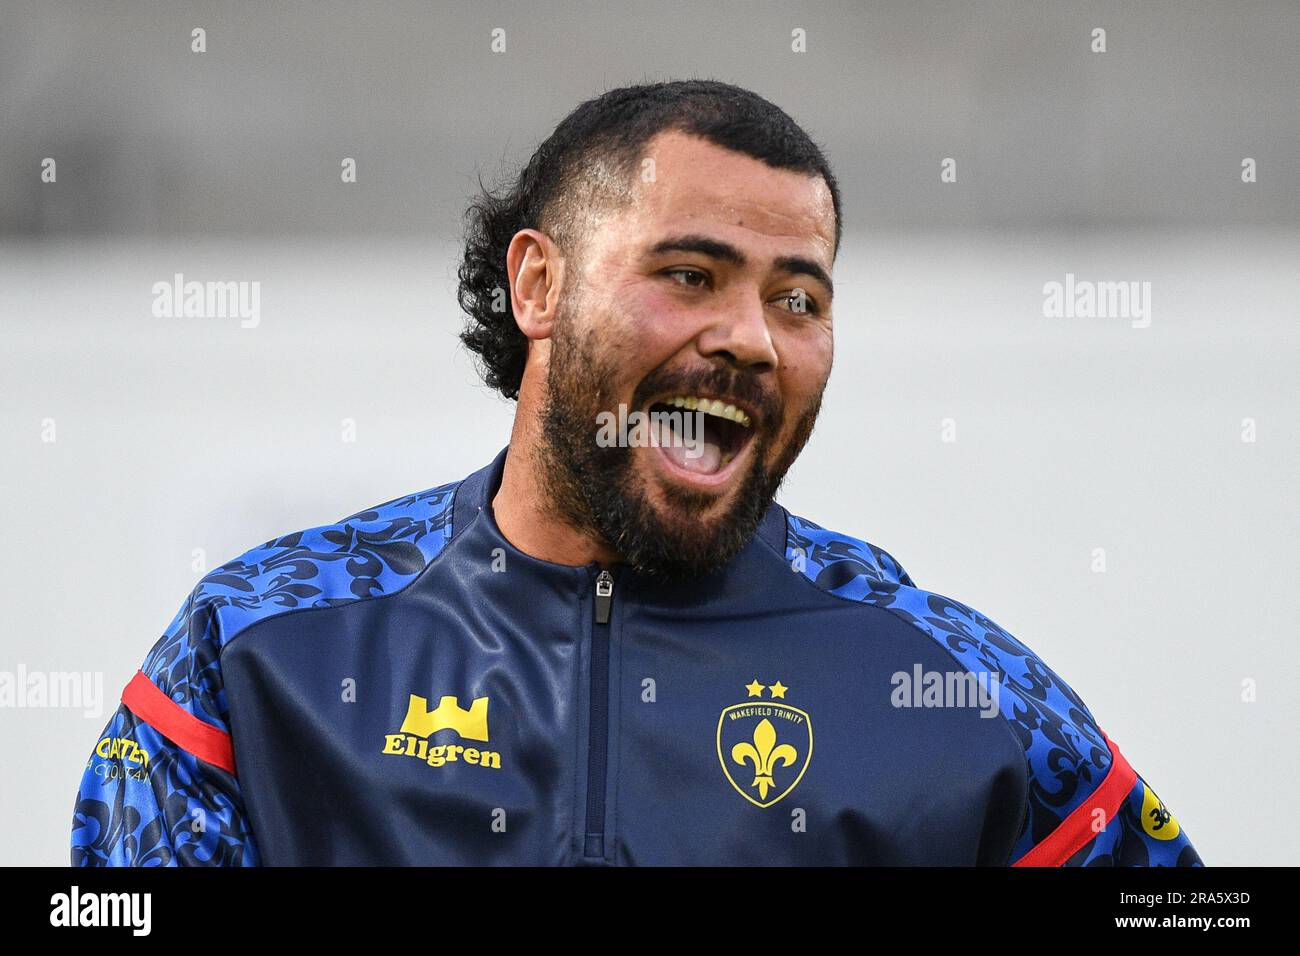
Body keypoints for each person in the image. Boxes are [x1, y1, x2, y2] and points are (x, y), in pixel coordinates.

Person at [71, 79, 1200, 866]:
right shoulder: (259, 651)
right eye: (691, 273)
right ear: (539, 287)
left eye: (797, 297)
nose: (752, 338)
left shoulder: (961, 692)